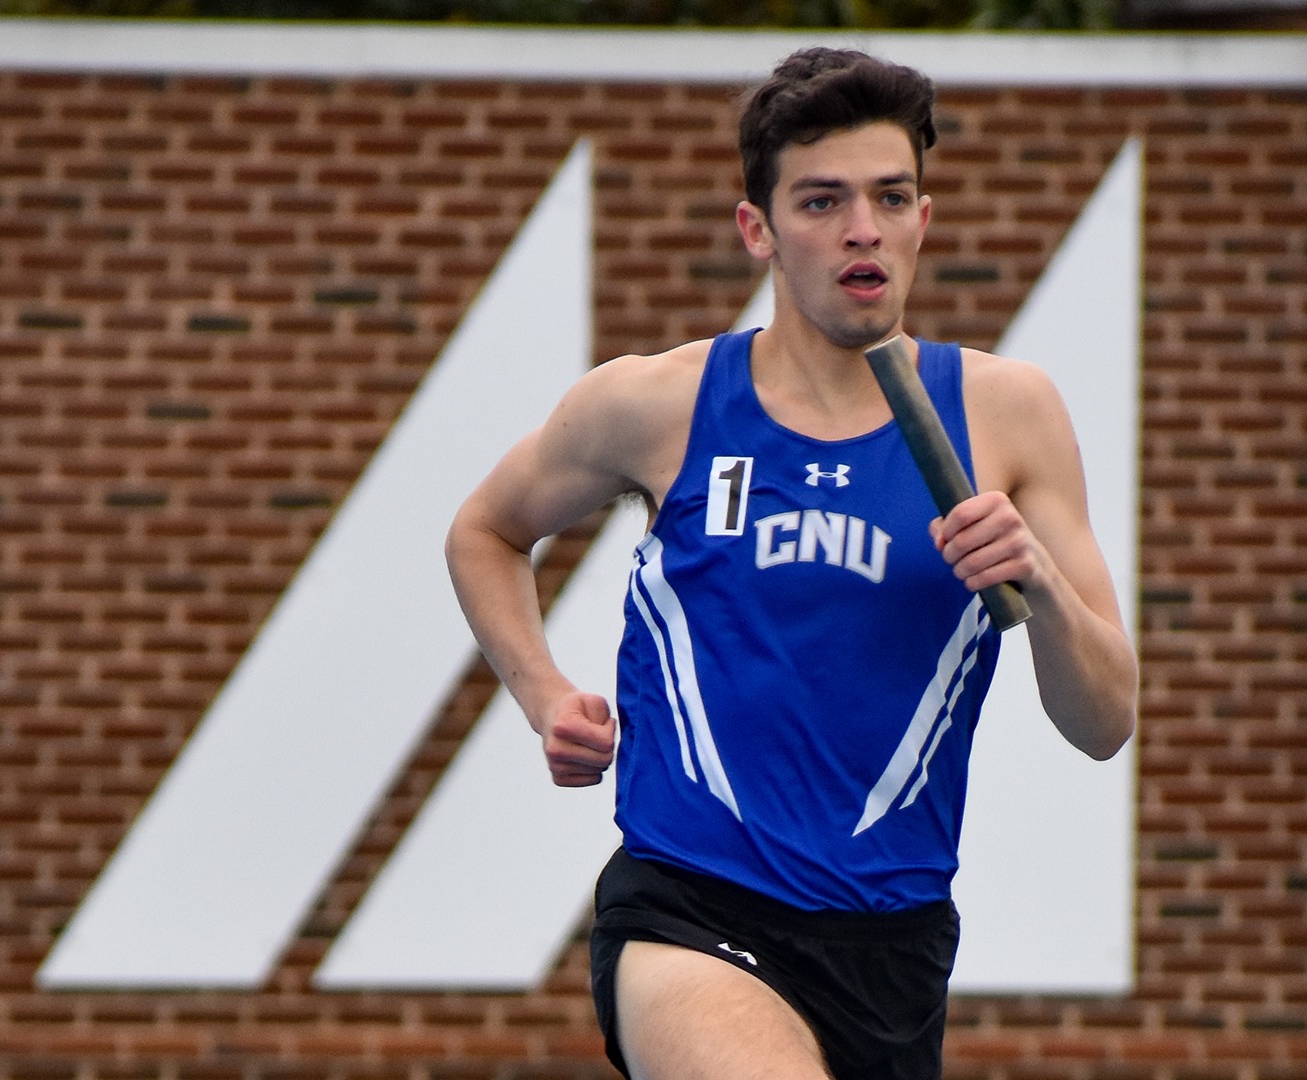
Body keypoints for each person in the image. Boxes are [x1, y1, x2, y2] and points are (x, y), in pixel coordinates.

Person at [445, 47, 1137, 1080]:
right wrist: (543, 694)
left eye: (889, 197)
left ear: (921, 220)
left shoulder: (1006, 416)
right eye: (822, 202)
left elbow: (1105, 722)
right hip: (689, 905)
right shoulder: (660, 405)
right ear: (757, 230)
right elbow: (487, 532)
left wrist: (1037, 582)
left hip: (892, 944)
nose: (862, 228)